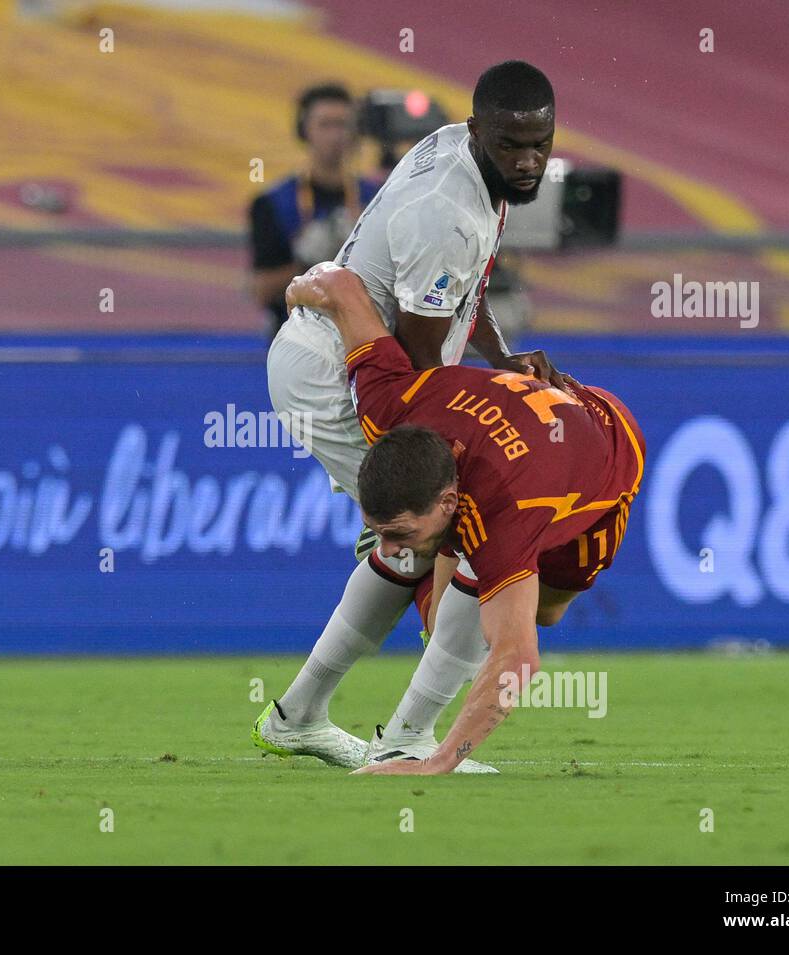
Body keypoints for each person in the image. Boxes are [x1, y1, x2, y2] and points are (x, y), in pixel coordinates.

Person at [254, 61, 566, 770]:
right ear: (480, 130)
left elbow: (464, 294)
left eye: (539, 144)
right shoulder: (447, 213)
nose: (528, 161)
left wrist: (502, 358)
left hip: (331, 359)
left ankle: (299, 714)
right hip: (335, 375)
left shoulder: (465, 157)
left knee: (419, 535)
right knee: (465, 519)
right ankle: (406, 738)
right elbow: (421, 377)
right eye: (513, 146)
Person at [285, 263, 644, 775]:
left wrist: (440, 766)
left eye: (399, 533)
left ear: (450, 502)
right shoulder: (388, 404)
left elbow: (519, 661)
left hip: (607, 454)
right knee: (459, 606)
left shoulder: (509, 515)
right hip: (517, 447)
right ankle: (404, 737)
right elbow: (342, 287)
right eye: (380, 532)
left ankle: (414, 745)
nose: (392, 546)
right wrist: (298, 290)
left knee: (543, 614)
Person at [248, 83, 381, 339]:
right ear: (304, 131)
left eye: (343, 125)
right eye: (325, 125)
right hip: (296, 337)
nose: (335, 136)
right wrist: (307, 260)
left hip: (365, 337)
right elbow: (262, 290)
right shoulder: (272, 203)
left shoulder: (379, 196)